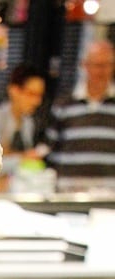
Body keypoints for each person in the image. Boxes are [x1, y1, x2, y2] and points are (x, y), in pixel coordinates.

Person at [46, 39, 115, 179]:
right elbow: (50, 149)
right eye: (97, 65)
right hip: (68, 191)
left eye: (106, 65)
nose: (101, 71)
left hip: (110, 193)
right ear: (84, 65)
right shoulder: (63, 105)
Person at [0, 63, 47, 177]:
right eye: (31, 94)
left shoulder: (28, 123)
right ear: (14, 90)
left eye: (39, 96)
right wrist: (22, 159)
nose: (37, 102)